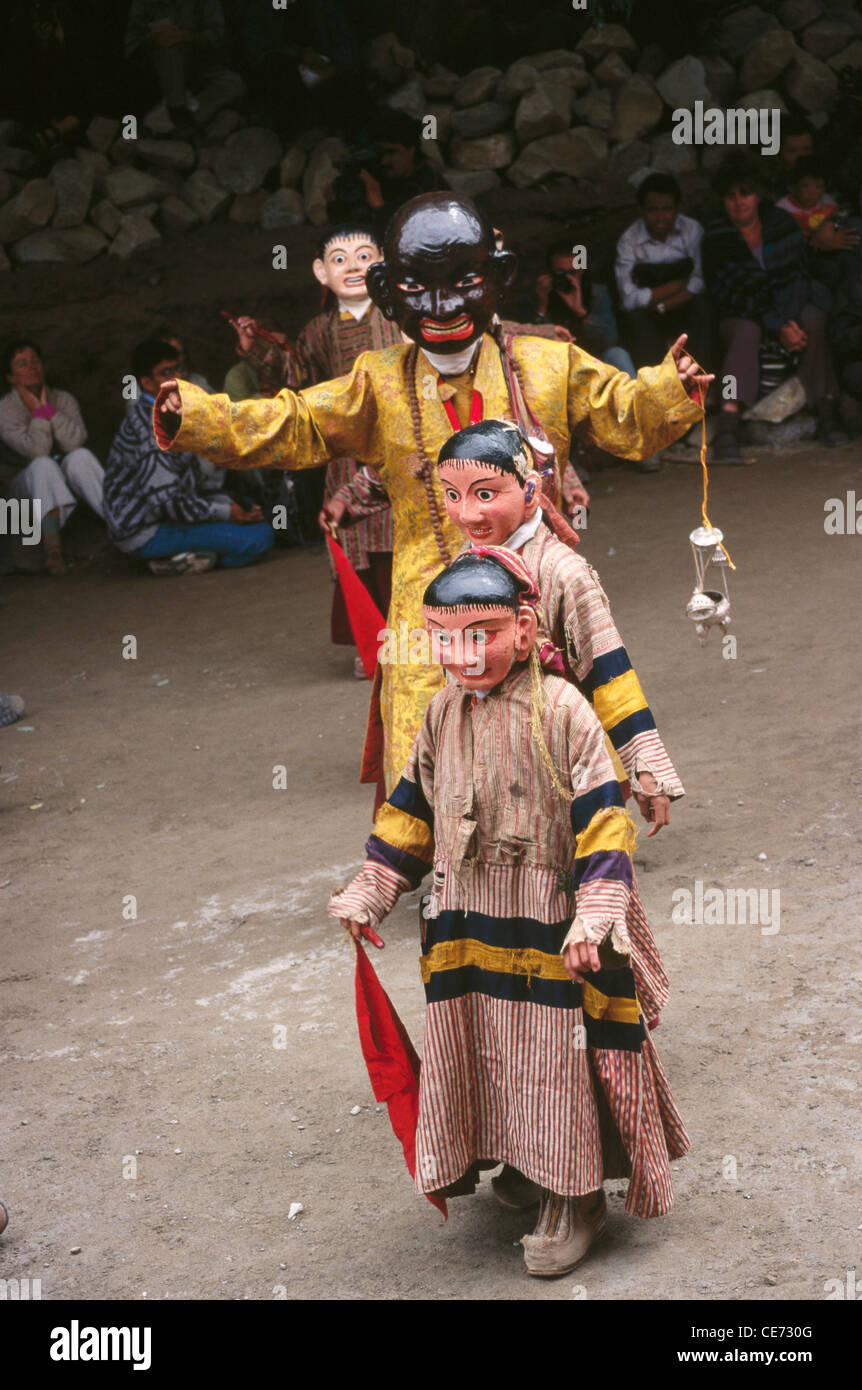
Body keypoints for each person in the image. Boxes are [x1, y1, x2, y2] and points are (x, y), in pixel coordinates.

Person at [154, 193, 709, 795]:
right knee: (427, 730)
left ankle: (571, 842)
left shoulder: (550, 365)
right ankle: (429, 858)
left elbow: (624, 415)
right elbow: (296, 422)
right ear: (388, 292)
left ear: (499, 278)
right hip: (426, 600)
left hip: (536, 586)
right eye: (418, 287)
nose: (443, 306)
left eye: (465, 281)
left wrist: (667, 391)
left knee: (553, 716)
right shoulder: (378, 381)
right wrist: (202, 418)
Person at [330, 546, 689, 1276]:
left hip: (553, 924)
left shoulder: (566, 712)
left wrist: (595, 915)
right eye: (445, 637)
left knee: (555, 1058)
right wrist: (372, 886)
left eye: (482, 634)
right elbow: (410, 812)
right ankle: (522, 1161)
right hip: (466, 919)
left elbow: (605, 825)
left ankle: (573, 1195)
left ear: (525, 629)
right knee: (488, 1049)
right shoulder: (438, 713)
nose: (462, 655)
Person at [294, 224, 402, 678]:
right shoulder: (319, 331)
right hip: (345, 451)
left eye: (364, 255)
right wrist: (258, 352)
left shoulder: (401, 314)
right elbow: (296, 383)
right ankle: (371, 643)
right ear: (321, 271)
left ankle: (416, 635)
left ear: (383, 262)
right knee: (353, 544)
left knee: (404, 541)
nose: (354, 266)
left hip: (399, 438)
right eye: (340, 259)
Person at [702, 156, 849, 464]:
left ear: (758, 196)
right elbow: (733, 294)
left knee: (814, 316)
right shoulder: (716, 237)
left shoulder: (780, 223)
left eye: (746, 193)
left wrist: (789, 321)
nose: (739, 203)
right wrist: (778, 324)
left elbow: (797, 276)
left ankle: (826, 408)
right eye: (731, 196)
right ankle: (728, 425)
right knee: (746, 330)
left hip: (787, 306)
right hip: (742, 313)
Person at [103, 338, 273, 575]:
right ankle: (189, 557)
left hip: (171, 517)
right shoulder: (152, 428)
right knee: (259, 537)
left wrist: (231, 505)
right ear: (147, 383)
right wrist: (226, 512)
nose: (178, 378)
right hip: (146, 530)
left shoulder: (173, 413)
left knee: (251, 519)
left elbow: (193, 483)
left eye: (178, 369)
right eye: (166, 372)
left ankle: (189, 555)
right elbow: (168, 502)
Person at [539, 242, 661, 473]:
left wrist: (580, 311)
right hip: (557, 367)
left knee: (618, 355)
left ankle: (642, 444)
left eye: (572, 272)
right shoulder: (542, 294)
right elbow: (530, 344)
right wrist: (543, 305)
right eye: (560, 274)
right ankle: (568, 462)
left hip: (594, 361)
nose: (566, 278)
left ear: (582, 270)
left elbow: (609, 338)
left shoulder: (596, 292)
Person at [0, 337, 105, 578]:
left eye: (35, 361)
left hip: (62, 478)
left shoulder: (63, 399)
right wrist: (38, 411)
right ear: (10, 377)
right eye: (22, 364)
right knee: (42, 465)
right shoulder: (5, 409)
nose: (32, 367)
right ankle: (53, 550)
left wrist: (48, 409)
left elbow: (74, 442)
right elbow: (37, 450)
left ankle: (122, 525)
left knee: (81, 456)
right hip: (20, 494)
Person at [615, 173, 712, 379]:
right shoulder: (628, 240)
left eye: (667, 209)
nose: (661, 217)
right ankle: (655, 385)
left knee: (704, 307)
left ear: (677, 208)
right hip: (648, 314)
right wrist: (679, 285)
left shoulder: (692, 230)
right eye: (653, 210)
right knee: (634, 319)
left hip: (684, 306)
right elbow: (629, 299)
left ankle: (698, 381)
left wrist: (663, 304)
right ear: (640, 210)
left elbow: (700, 282)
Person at [125, 0, 243, 135]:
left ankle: (182, 119)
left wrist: (188, 37)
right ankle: (177, 115)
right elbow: (131, 44)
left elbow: (217, 34)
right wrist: (153, 39)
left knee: (234, 83)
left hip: (197, 64)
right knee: (169, 52)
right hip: (158, 72)